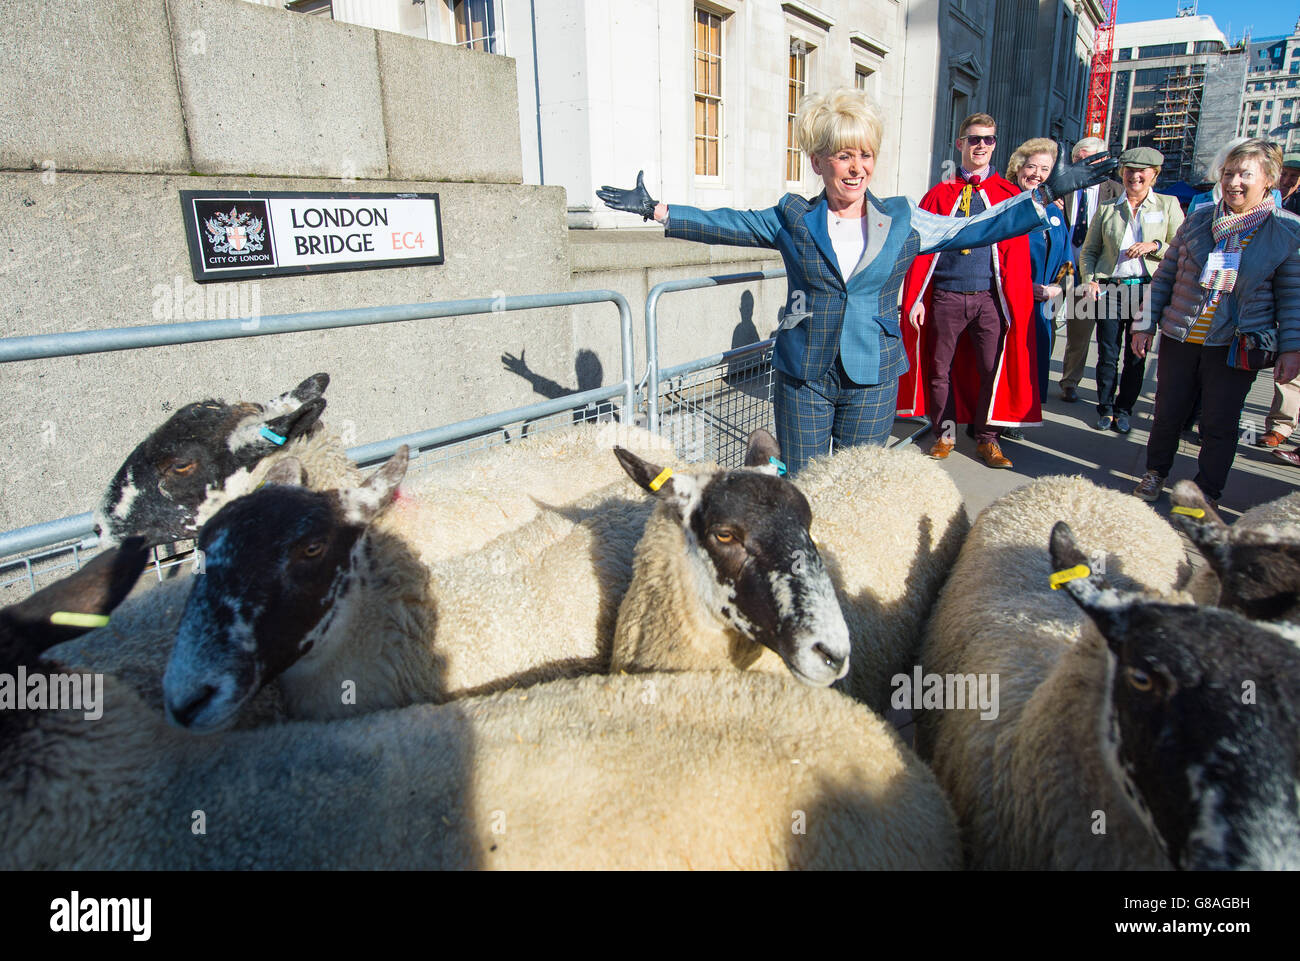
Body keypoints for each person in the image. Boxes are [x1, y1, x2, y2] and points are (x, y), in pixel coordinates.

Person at [597, 90, 1116, 475]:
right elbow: (727, 222)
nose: (856, 167)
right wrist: (655, 209)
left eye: (864, 155)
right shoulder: (793, 216)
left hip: (872, 374)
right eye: (844, 156)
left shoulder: (902, 218)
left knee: (858, 483)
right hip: (805, 373)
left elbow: (977, 226)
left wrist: (1044, 197)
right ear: (820, 161)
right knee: (803, 481)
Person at [1131, 139, 1300, 503]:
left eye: (1245, 174)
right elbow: (1166, 276)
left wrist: (1292, 349)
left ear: (1268, 180)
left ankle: (1206, 491)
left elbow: (1291, 298)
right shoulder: (1199, 219)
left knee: (1219, 424)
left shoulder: (1286, 231)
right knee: (1167, 414)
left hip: (1235, 345)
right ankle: (1155, 472)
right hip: (1181, 335)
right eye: (1228, 173)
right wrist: (1145, 324)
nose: (1234, 182)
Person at [896, 113, 1037, 470]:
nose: (981, 146)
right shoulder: (938, 195)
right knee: (939, 369)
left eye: (988, 139)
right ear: (960, 144)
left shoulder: (1008, 195)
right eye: (974, 139)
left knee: (992, 368)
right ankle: (944, 433)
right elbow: (919, 251)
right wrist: (915, 298)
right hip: (945, 296)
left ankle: (988, 439)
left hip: (990, 300)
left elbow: (1016, 258)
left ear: (995, 145)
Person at [1079, 146, 1185, 434]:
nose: (1135, 176)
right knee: (1107, 353)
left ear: (1154, 174)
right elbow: (1089, 251)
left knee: (1137, 354)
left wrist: (1155, 246)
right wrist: (1090, 279)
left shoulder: (1168, 205)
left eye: (1142, 171)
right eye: (1129, 170)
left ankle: (1124, 409)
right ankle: (1105, 407)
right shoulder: (1107, 208)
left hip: (1147, 291)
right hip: (1110, 289)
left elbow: (1181, 248)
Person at [1057, 137, 1122, 404]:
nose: (1084, 164)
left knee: (1079, 331)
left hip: (1092, 271)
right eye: (1079, 159)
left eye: (1090, 158)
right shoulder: (1062, 187)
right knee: (1045, 324)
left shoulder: (1116, 192)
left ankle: (1070, 381)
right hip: (1062, 266)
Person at [1009, 138, 1072, 403]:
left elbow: (1067, 261)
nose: (1037, 174)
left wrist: (1058, 286)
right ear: (1018, 168)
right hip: (1010, 302)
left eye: (1045, 169)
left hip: (1042, 307)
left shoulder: (1054, 212)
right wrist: (1025, 287)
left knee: (1034, 363)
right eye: (1031, 166)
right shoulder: (1006, 206)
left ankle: (1023, 414)